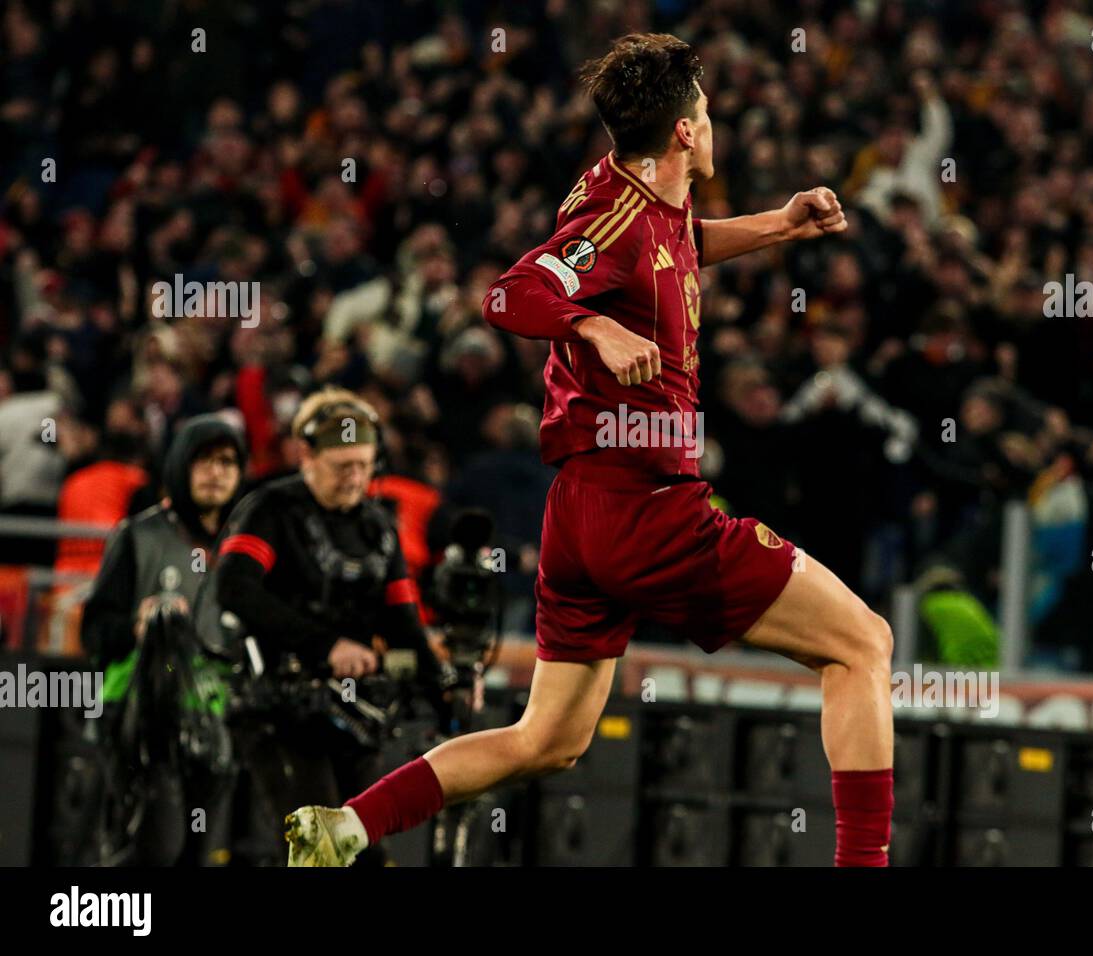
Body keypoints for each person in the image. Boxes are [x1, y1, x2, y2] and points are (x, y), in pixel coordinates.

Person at [286, 33, 895, 868]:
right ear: (684, 132)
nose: (714, 126)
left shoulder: (647, 195)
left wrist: (778, 228)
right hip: (646, 509)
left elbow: (673, 249)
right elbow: (510, 292)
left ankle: (347, 826)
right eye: (707, 114)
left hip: (581, 521)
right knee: (863, 644)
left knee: (547, 739)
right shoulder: (612, 217)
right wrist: (595, 326)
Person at [208, 386, 441, 865]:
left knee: (368, 851)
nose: (355, 478)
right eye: (342, 467)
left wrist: (443, 686)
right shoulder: (272, 509)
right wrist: (326, 645)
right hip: (277, 706)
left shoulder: (377, 527)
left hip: (351, 713)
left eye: (364, 464)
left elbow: (402, 622)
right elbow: (235, 588)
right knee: (317, 846)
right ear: (306, 456)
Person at [81, 413, 247, 865]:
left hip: (212, 723)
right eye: (204, 462)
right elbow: (94, 631)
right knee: (158, 848)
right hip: (142, 718)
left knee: (198, 852)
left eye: (228, 463)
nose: (217, 473)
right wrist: (138, 626)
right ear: (179, 466)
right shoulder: (138, 535)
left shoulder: (241, 550)